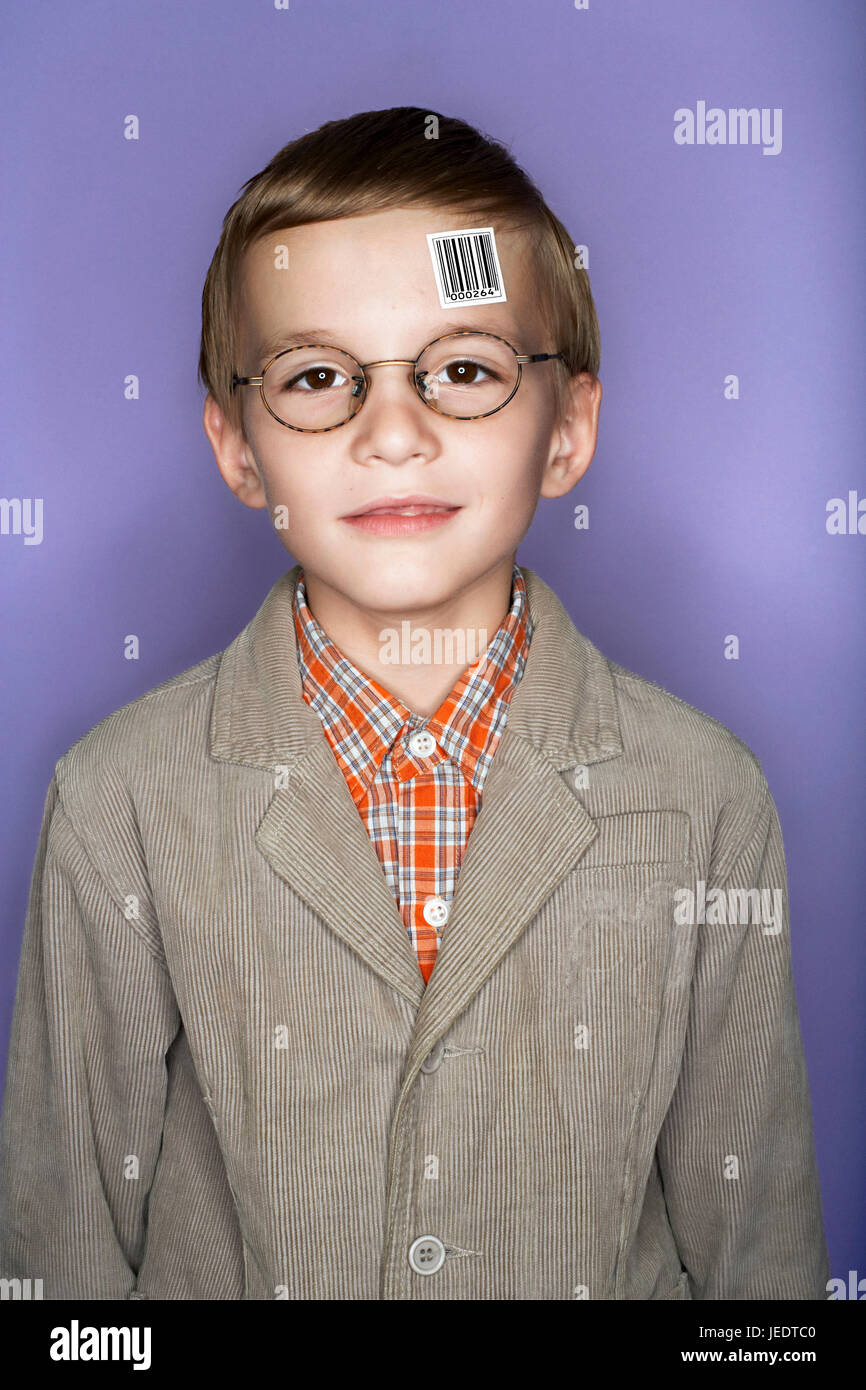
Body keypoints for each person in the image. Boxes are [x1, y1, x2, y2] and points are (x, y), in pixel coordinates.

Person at [0, 106, 828, 1299]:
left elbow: (758, 1266)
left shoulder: (703, 795)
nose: (393, 432)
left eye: (464, 370)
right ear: (236, 445)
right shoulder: (118, 797)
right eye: (320, 377)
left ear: (566, 431)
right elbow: (65, 1258)